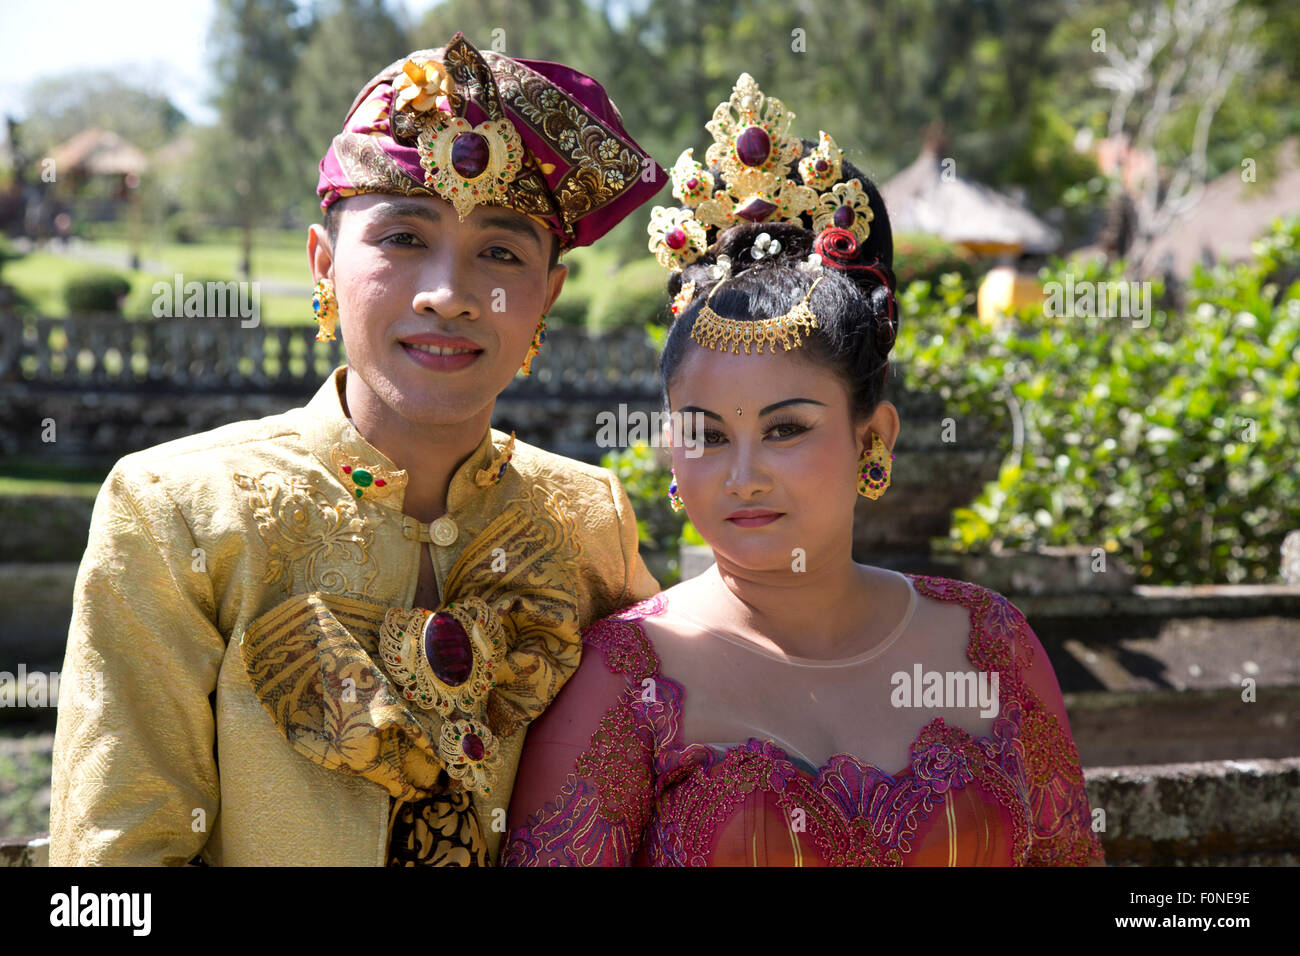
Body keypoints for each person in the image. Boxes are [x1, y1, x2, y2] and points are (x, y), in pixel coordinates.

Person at [49, 32, 666, 866]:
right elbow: (114, 872)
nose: (449, 295)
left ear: (547, 293)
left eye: (500, 252)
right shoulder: (179, 513)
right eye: (403, 239)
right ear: (324, 263)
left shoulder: (592, 524)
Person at [503, 74, 1107, 866]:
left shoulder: (986, 643)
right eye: (708, 435)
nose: (743, 474)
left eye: (787, 429)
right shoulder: (624, 682)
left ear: (873, 438)